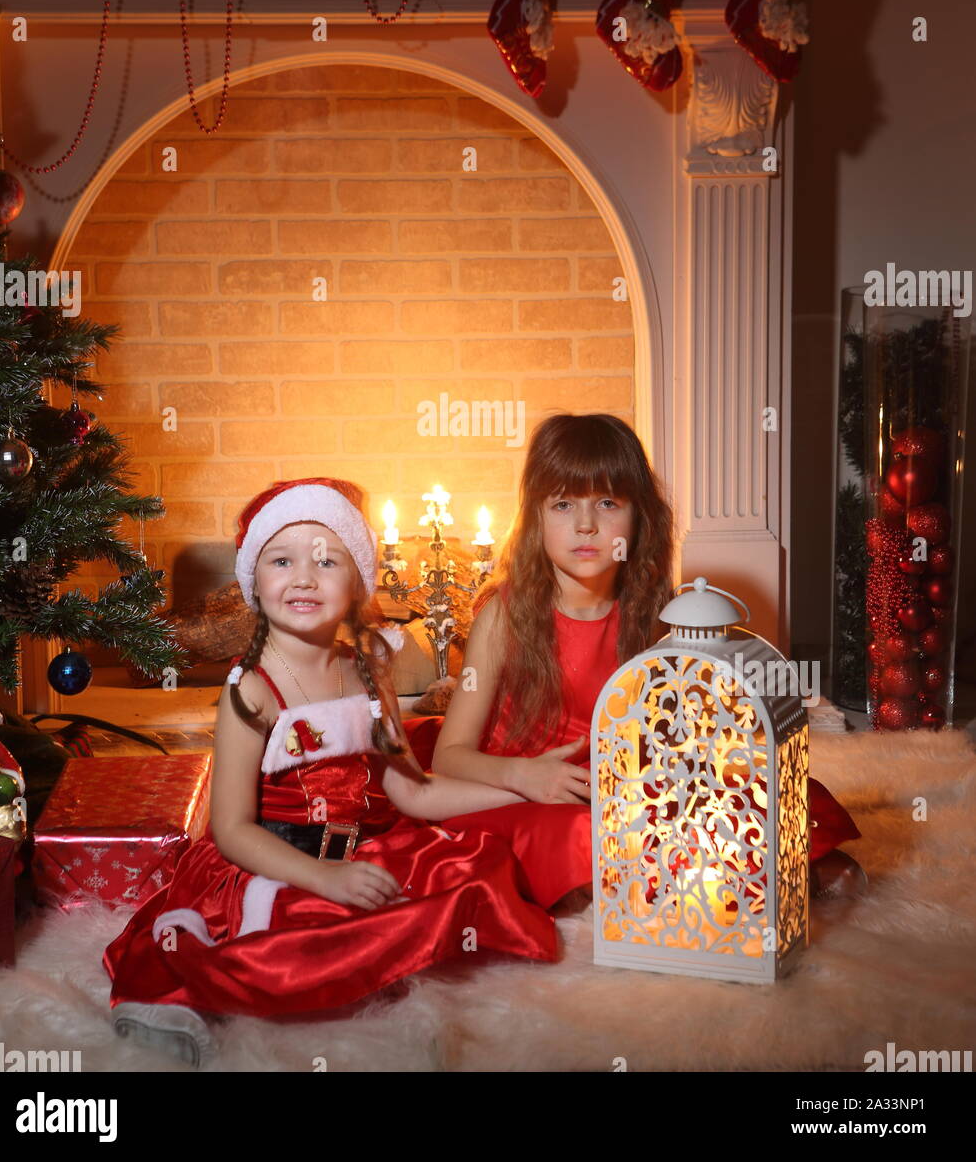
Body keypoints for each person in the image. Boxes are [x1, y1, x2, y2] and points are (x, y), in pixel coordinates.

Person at [104, 478, 557, 1066]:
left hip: (354, 845)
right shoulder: (252, 691)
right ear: (254, 580)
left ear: (357, 582)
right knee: (303, 928)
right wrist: (321, 878)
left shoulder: (369, 675)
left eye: (327, 559)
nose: (303, 577)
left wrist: (517, 781)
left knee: (467, 871)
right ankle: (187, 999)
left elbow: (413, 793)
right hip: (273, 856)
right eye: (282, 560)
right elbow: (233, 830)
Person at [421, 414, 864, 911]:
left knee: (760, 789)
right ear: (535, 518)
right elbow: (448, 757)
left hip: (623, 782)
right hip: (530, 787)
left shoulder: (655, 610)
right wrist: (521, 777)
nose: (586, 525)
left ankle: (740, 864)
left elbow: (674, 731)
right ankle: (670, 877)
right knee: (582, 832)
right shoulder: (504, 615)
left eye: (607, 503)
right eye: (564, 504)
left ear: (638, 517)